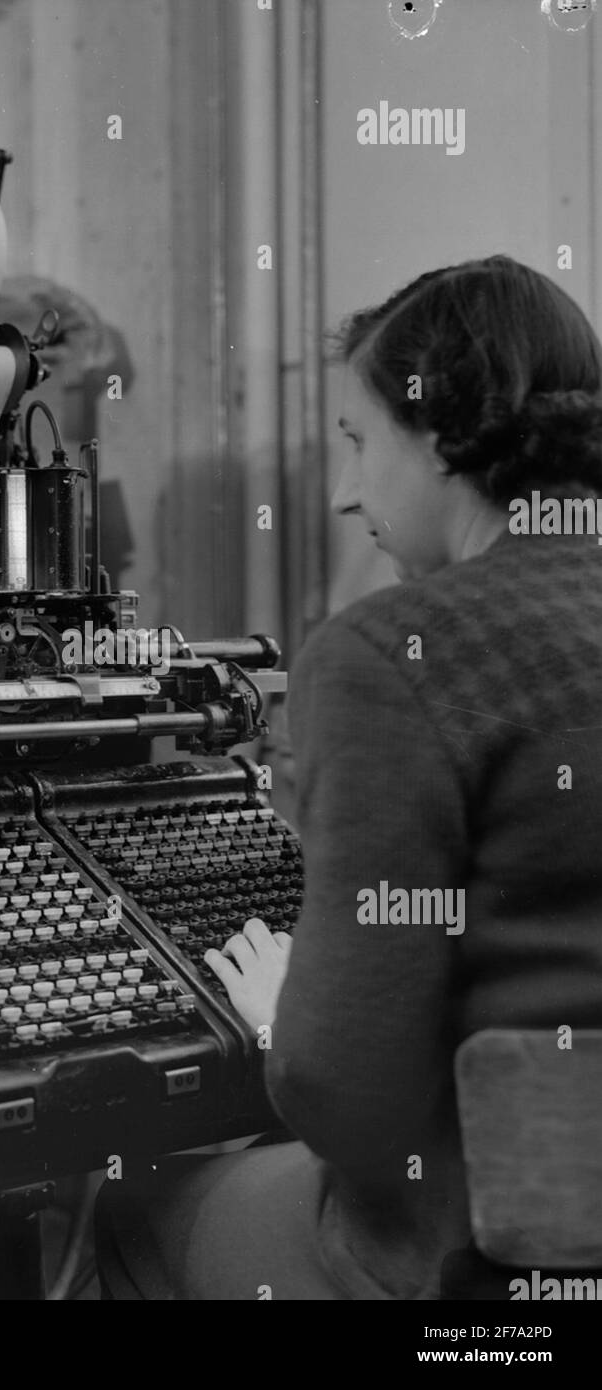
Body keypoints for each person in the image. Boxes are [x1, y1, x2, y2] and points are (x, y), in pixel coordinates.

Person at [95, 255, 602, 1300]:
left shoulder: (392, 650)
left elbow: (344, 1096)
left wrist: (285, 1015)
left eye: (358, 443)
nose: (340, 494)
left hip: (485, 1263)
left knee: (132, 1200)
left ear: (442, 437)